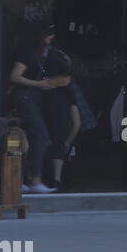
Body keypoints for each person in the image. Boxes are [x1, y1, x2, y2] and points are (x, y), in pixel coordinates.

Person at [9, 24, 59, 194]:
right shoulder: (29, 53)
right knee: (40, 136)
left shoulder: (39, 54)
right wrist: (38, 84)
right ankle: (34, 180)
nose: (51, 40)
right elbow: (15, 76)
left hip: (31, 98)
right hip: (25, 98)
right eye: (49, 36)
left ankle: (22, 179)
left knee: (28, 139)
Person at [41, 47, 80, 192]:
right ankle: (57, 179)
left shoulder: (41, 89)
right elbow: (76, 122)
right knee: (58, 141)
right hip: (60, 133)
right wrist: (68, 142)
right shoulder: (68, 91)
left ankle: (41, 178)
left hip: (48, 133)